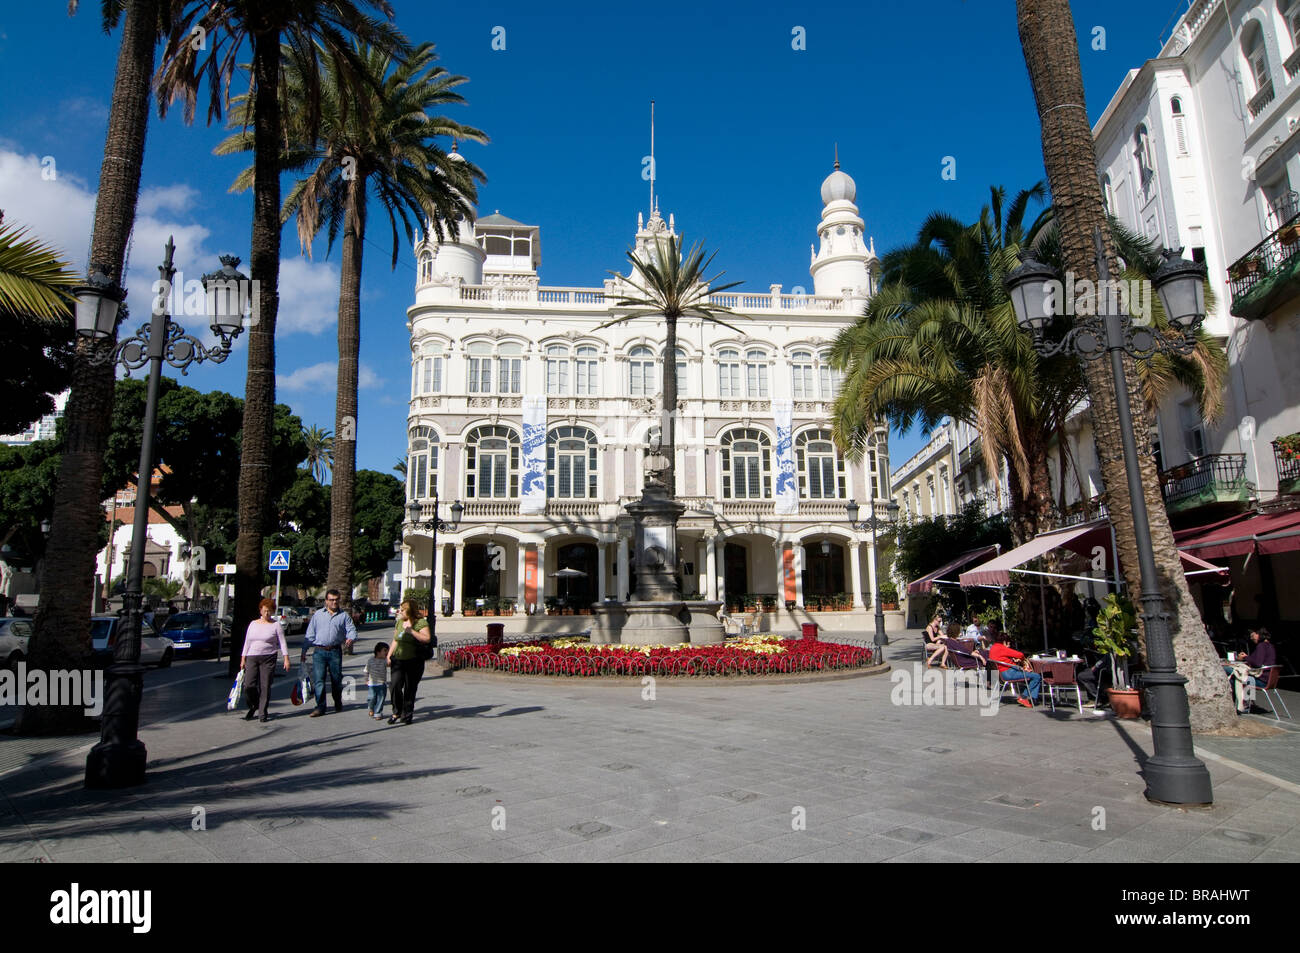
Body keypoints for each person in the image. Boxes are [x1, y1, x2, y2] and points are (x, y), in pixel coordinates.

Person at [303, 588, 357, 717]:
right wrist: (304, 651)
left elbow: (351, 630)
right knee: (319, 680)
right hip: (319, 652)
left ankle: (337, 701)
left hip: (334, 651)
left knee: (336, 680)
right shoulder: (318, 615)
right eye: (331, 600)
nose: (334, 602)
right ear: (326, 601)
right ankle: (320, 707)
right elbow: (310, 634)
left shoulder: (344, 616)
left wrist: (351, 638)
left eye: (336, 600)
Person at [241, 597, 290, 722]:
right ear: (260, 610)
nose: (267, 613)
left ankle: (262, 712)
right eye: (265, 610)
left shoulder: (276, 625)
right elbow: (247, 642)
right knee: (248, 685)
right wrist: (243, 659)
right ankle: (254, 704)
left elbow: (282, 643)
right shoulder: (253, 624)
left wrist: (286, 659)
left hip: (268, 657)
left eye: (269, 611)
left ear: (273, 612)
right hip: (252, 656)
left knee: (265, 685)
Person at [388, 601, 432, 725]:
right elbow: (395, 640)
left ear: (410, 610)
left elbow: (427, 638)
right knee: (394, 685)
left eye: (402, 610)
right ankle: (397, 711)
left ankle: (407, 714)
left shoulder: (420, 623)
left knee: (410, 689)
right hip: (398, 660)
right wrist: (388, 655)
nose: (400, 611)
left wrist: (412, 631)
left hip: (414, 661)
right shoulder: (400, 622)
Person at [988, 632, 1041, 709]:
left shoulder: (993, 648)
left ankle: (1032, 699)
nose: (1009, 645)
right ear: (1004, 641)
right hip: (1009, 673)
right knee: (1036, 676)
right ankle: (1024, 697)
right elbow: (1020, 655)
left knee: (1032, 675)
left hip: (1001, 673)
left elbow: (1002, 658)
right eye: (1008, 643)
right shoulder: (1002, 648)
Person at [365, 643, 390, 720]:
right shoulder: (370, 660)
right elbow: (366, 670)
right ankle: (371, 708)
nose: (387, 652)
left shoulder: (385, 660)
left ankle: (378, 713)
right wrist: (366, 679)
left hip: (382, 683)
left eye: (388, 651)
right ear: (378, 652)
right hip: (372, 684)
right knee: (371, 698)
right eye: (385, 650)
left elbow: (390, 664)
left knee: (381, 699)